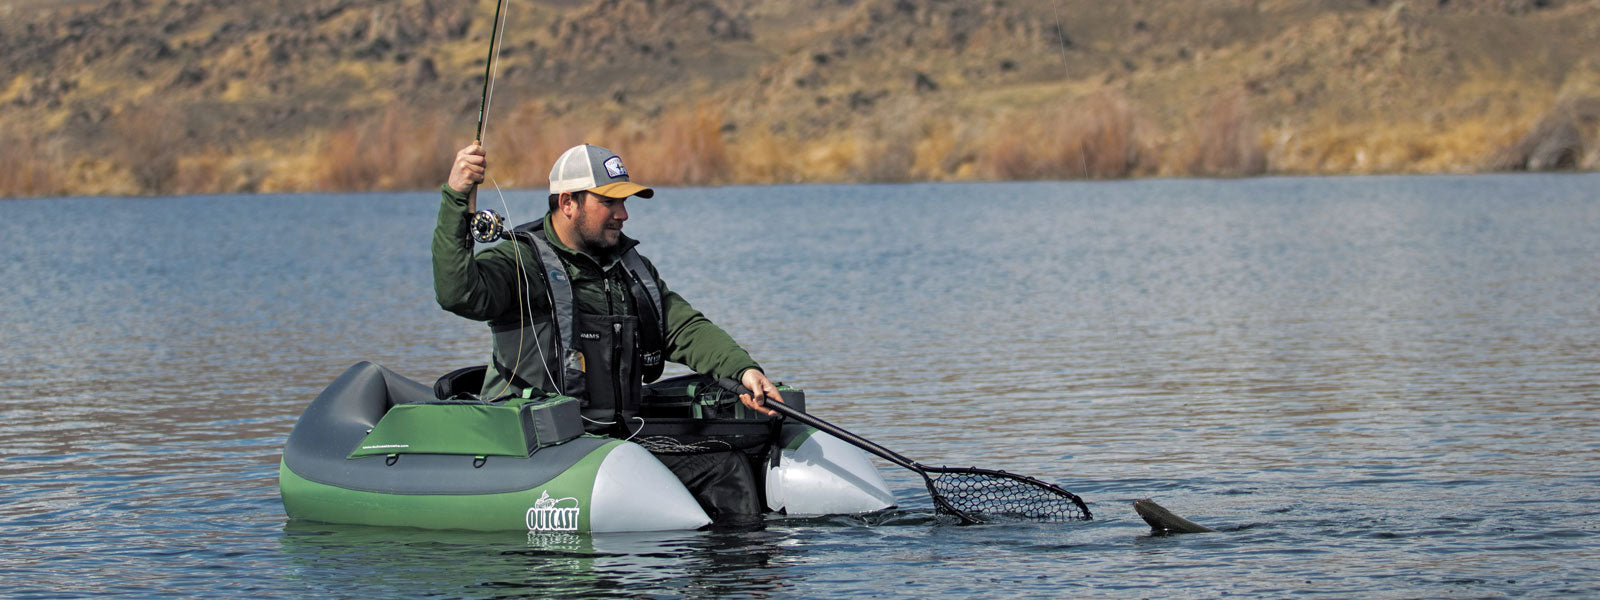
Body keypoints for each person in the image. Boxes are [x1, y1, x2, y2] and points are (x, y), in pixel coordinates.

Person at [433, 141, 781, 520]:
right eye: (609, 202)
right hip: (539, 449)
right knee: (722, 472)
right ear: (568, 203)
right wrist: (456, 196)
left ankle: (746, 574)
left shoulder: (630, 270)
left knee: (728, 462)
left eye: (625, 202)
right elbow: (458, 293)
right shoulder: (519, 262)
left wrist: (744, 370)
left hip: (613, 441)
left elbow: (684, 327)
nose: (623, 214)